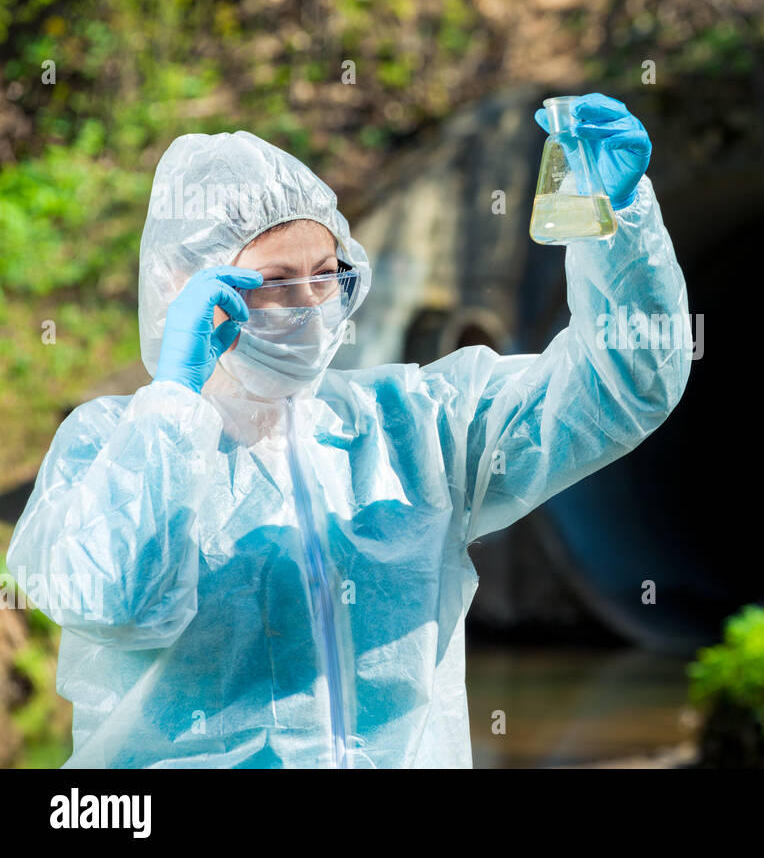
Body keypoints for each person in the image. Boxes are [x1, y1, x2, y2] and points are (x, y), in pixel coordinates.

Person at [6, 93, 691, 767]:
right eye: (275, 281)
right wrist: (174, 405)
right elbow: (113, 602)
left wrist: (618, 222)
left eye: (325, 275)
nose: (308, 304)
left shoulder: (415, 426)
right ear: (185, 282)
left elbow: (618, 387)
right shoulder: (109, 445)